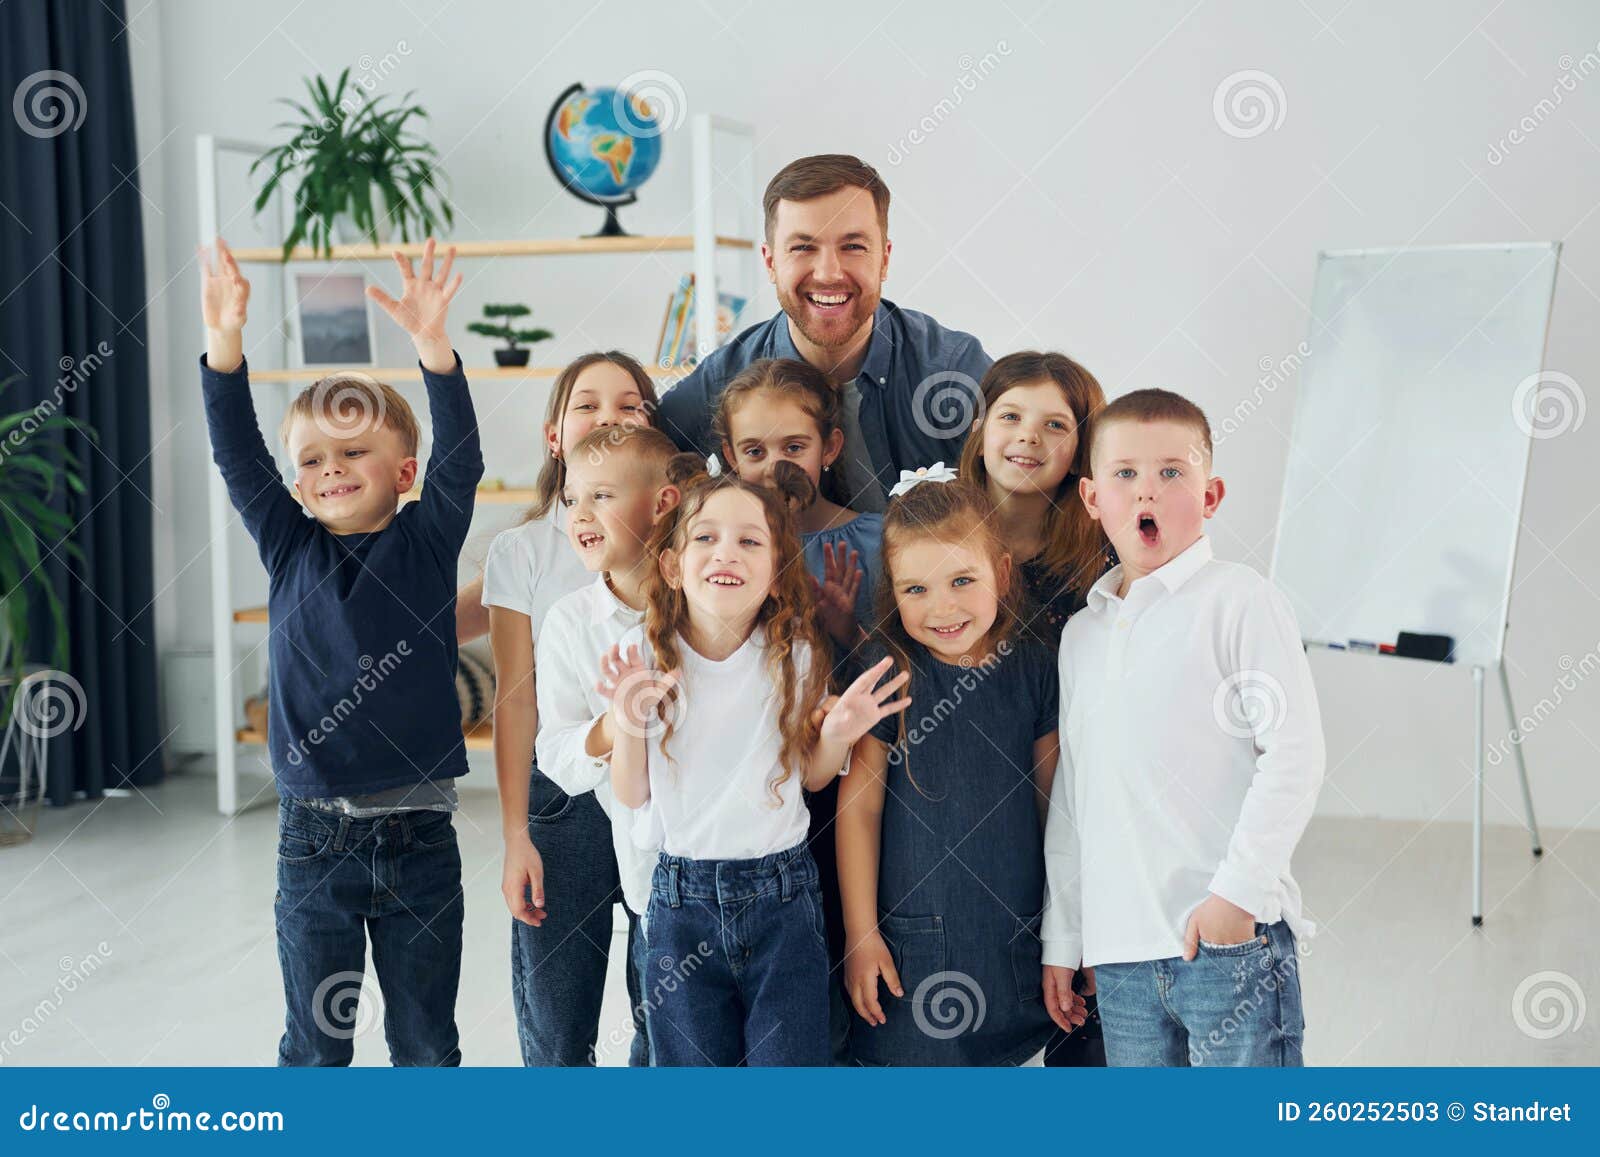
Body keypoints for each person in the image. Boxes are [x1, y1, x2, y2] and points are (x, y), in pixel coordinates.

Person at [198, 237, 479, 1065]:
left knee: (427, 1044)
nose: (331, 468)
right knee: (317, 1048)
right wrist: (225, 345)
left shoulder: (429, 539)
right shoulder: (288, 543)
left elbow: (464, 462)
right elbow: (236, 451)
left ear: (404, 469)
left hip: (422, 837)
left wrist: (434, 349)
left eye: (354, 450)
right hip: (313, 840)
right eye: (313, 458)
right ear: (294, 482)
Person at [1041, 388, 1325, 1066]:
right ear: (1091, 498)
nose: (1149, 491)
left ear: (1211, 494)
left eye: (1172, 472)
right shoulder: (1082, 635)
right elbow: (1075, 795)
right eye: (1126, 474)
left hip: (1229, 940)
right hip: (1121, 959)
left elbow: (1294, 753)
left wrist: (1236, 895)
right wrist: (1065, 936)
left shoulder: (1241, 601)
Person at [597, 459, 909, 1065]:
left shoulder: (794, 656)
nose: (726, 554)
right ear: (673, 566)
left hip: (784, 900)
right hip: (680, 903)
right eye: (706, 538)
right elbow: (632, 794)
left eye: (749, 541)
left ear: (774, 572)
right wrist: (627, 720)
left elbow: (813, 777)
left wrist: (840, 733)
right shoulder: (645, 655)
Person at [837, 473, 1072, 1065]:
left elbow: (1057, 808)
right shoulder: (890, 673)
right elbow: (859, 811)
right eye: (915, 589)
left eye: (962, 580)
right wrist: (861, 934)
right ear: (892, 591)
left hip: (1012, 932)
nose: (942, 607)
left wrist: (1070, 931)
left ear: (1003, 572)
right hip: (914, 942)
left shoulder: (1036, 667)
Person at [478, 352, 659, 1065]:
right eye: (586, 404)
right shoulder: (521, 550)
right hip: (565, 803)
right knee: (557, 1026)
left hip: (657, 804)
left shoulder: (677, 544)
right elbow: (515, 702)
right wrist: (517, 834)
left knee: (664, 1009)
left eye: (630, 405)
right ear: (555, 434)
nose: (607, 416)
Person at [656, 154, 992, 514]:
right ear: (770, 263)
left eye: (853, 247)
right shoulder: (721, 383)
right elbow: (637, 489)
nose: (829, 273)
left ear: (884, 259)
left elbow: (1037, 494)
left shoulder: (952, 369)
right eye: (803, 248)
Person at [528, 423, 683, 1064]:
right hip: (645, 869)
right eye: (572, 500)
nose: (581, 515)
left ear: (662, 503)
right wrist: (616, 723)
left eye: (601, 497)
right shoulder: (570, 622)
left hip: (726, 860)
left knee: (686, 1035)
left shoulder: (709, 600)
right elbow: (557, 753)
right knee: (652, 1015)